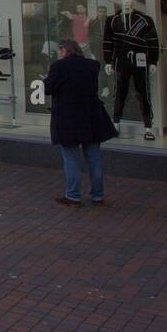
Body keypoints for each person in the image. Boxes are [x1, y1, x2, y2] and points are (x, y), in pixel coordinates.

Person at [44, 39, 117, 207]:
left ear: (63, 50)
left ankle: (73, 196)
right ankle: (98, 196)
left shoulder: (58, 67)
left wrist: (47, 79)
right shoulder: (92, 65)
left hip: (68, 117)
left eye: (59, 51)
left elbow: (48, 88)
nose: (58, 54)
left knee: (71, 157)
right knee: (94, 156)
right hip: (91, 116)